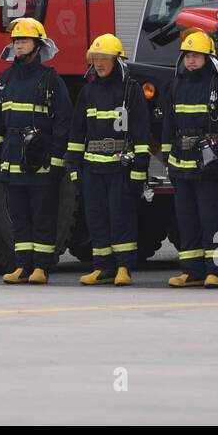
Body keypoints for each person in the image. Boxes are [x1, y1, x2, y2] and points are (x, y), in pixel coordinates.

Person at [0, 17, 71, 284]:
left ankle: (41, 268)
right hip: (11, 159)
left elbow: (62, 122)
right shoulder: (4, 80)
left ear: (38, 45)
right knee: (19, 216)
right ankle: (22, 266)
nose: (19, 45)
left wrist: (56, 160)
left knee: (42, 215)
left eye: (24, 41)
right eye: (16, 41)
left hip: (41, 161)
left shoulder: (50, 80)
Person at [67, 34, 150, 286]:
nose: (99, 64)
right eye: (95, 59)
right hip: (93, 168)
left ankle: (123, 267)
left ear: (117, 61)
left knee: (121, 216)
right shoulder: (88, 91)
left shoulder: (131, 90)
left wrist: (139, 169)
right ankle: (103, 268)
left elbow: (140, 131)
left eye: (104, 59)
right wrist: (74, 167)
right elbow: (77, 131)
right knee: (96, 217)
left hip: (120, 167)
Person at [162, 30, 218, 287]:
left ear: (209, 58)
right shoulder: (176, 85)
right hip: (181, 163)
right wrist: (167, 156)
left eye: (197, 56)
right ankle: (191, 270)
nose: (191, 61)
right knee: (186, 218)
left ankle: (215, 270)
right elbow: (169, 124)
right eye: (188, 55)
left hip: (210, 165)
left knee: (212, 217)